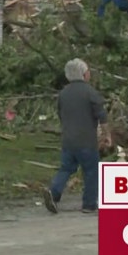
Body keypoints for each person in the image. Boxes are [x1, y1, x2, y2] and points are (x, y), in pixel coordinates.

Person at [43, 58, 111, 214]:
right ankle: (89, 204)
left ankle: (53, 193)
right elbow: (102, 116)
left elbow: (60, 115)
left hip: (68, 140)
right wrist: (107, 135)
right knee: (91, 171)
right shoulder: (90, 92)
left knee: (66, 168)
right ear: (84, 74)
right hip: (86, 140)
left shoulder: (63, 93)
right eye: (88, 71)